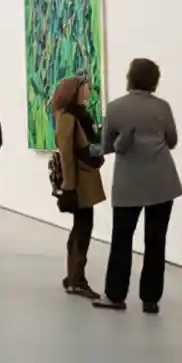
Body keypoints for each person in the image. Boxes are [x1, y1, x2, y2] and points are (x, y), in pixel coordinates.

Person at [94, 59, 182, 314]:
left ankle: (115, 295)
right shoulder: (162, 107)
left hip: (128, 182)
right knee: (156, 239)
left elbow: (106, 146)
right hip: (162, 180)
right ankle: (150, 299)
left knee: (122, 238)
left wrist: (125, 140)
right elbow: (172, 140)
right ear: (155, 80)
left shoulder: (115, 108)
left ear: (129, 77)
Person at [53, 74, 106, 299]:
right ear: (74, 91)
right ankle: (76, 279)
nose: (88, 92)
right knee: (82, 228)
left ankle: (74, 276)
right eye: (85, 88)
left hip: (85, 177)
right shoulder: (69, 117)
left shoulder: (80, 115)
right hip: (79, 181)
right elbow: (67, 154)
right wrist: (69, 186)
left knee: (82, 227)